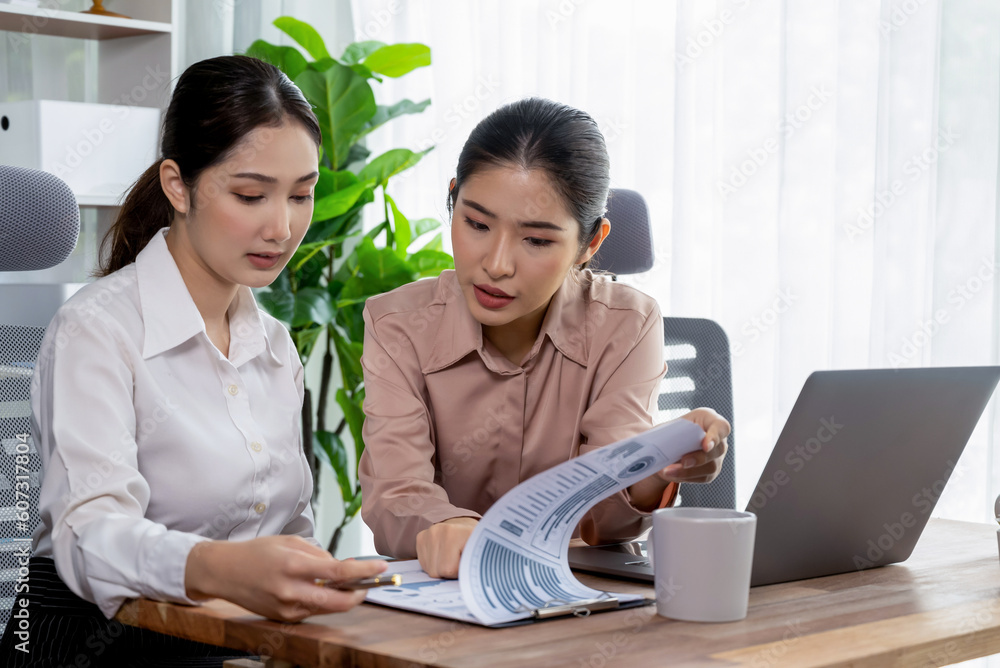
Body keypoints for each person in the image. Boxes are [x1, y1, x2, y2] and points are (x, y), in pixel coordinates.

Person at [0, 55, 385, 667]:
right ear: (178, 186)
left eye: (302, 195)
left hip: (235, 642)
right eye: (251, 194)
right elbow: (89, 535)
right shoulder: (97, 330)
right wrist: (217, 568)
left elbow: (290, 529)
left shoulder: (276, 346)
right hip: (101, 644)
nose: (282, 227)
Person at [358, 97, 730, 579]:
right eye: (475, 223)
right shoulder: (397, 324)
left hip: (575, 604)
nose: (496, 264)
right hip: (441, 606)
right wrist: (445, 526)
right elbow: (396, 496)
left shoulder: (626, 323)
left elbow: (605, 518)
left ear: (590, 243)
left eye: (535, 240)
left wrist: (656, 471)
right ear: (453, 199)